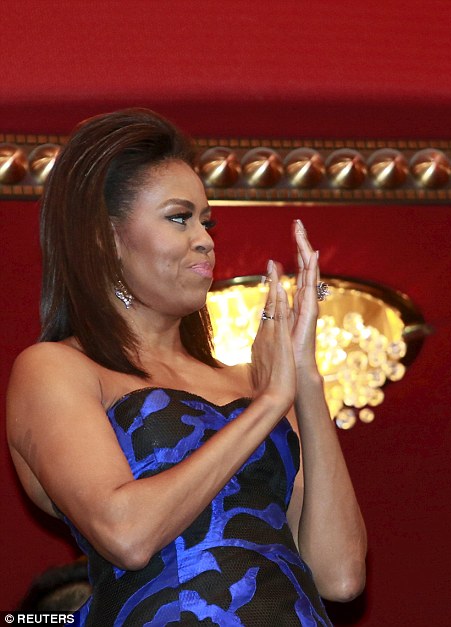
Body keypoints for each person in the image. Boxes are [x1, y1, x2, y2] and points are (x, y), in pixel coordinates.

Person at [5, 108, 366, 625]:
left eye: (206, 220)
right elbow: (126, 535)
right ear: (105, 238)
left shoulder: (253, 382)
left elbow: (340, 576)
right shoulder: (55, 368)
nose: (206, 239)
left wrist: (305, 381)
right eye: (179, 218)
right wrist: (266, 407)